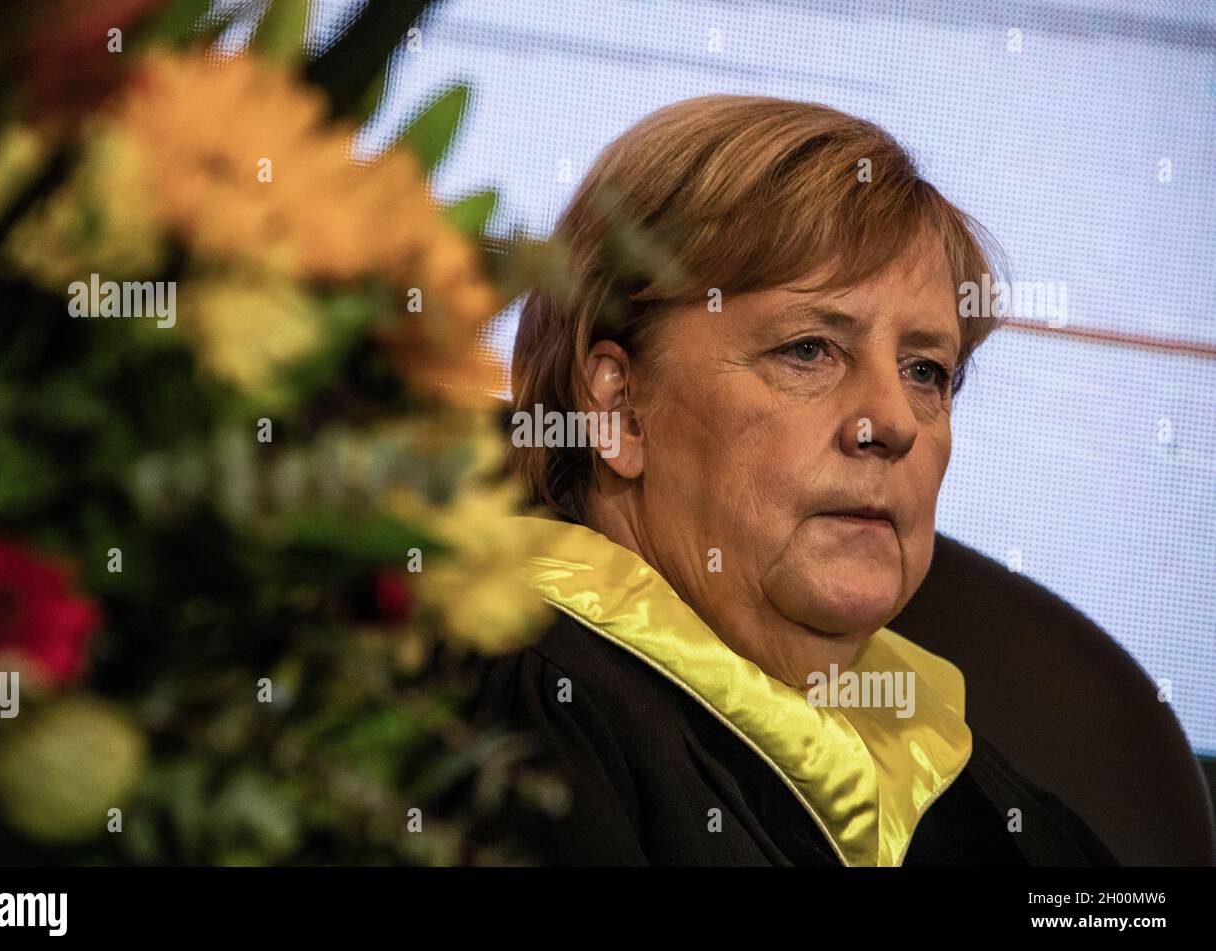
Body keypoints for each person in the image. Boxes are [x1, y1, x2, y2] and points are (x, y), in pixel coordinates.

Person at [473, 95, 1118, 866]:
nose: (893, 420)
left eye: (926, 371)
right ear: (620, 410)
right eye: (809, 350)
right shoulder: (514, 712)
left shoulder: (953, 762)